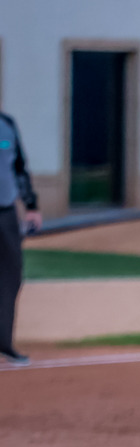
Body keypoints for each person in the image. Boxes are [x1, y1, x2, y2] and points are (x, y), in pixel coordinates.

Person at [0, 109, 42, 366]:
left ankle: (4, 342)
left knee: (10, 276)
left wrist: (31, 205)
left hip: (6, 213)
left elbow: (19, 168)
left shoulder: (7, 125)